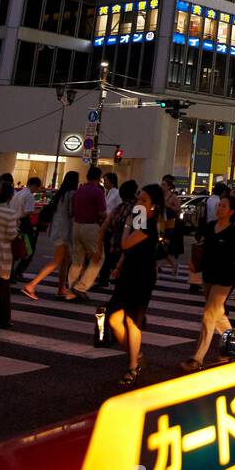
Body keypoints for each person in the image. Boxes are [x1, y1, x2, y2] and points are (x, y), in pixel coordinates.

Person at [181, 195, 235, 372]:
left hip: (226, 277)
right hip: (208, 275)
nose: (219, 209)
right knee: (217, 314)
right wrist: (194, 263)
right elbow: (202, 247)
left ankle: (197, 358)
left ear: (231, 211)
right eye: (219, 205)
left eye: (224, 206)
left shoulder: (234, 232)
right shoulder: (210, 227)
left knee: (208, 314)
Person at [107, 184, 165, 389]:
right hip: (128, 273)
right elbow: (128, 250)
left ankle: (132, 366)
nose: (139, 203)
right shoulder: (140, 221)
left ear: (154, 206)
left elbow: (126, 243)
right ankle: (136, 353)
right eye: (138, 199)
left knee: (132, 321)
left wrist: (127, 225)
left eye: (144, 201)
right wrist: (119, 266)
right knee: (114, 319)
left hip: (142, 276)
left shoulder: (149, 226)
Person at [21, 171, 80, 301]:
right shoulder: (71, 194)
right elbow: (72, 213)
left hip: (57, 230)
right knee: (57, 261)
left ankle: (61, 288)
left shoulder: (60, 194)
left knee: (65, 260)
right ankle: (31, 285)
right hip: (64, 232)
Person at [65, 165, 108, 300]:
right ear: (99, 178)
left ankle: (72, 288)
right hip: (91, 226)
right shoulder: (97, 192)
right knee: (98, 257)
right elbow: (102, 213)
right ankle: (81, 287)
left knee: (77, 259)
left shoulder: (79, 190)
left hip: (76, 225)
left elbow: (72, 210)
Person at [9, 175, 42, 281]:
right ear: (34, 186)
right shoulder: (29, 196)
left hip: (14, 221)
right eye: (37, 188)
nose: (37, 190)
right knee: (29, 249)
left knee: (15, 248)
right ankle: (18, 272)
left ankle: (11, 273)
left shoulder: (19, 193)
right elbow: (29, 211)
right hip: (24, 223)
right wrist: (39, 211)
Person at [0, 180, 19, 327]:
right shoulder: (10, 213)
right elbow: (11, 235)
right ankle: (3, 320)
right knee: (3, 291)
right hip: (2, 257)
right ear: (9, 197)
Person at [161, 174, 183, 274]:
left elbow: (179, 209)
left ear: (169, 186)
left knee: (163, 247)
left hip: (169, 224)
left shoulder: (173, 196)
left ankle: (173, 265)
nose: (162, 186)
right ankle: (157, 265)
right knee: (158, 246)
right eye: (162, 184)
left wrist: (168, 205)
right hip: (160, 223)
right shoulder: (159, 195)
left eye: (164, 184)